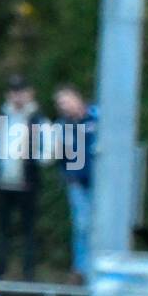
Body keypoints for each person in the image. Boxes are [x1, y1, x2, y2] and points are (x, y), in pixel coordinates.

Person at [0, 76, 51, 279]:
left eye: (22, 91)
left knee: (28, 230)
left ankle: (28, 272)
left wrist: (32, 159)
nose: (18, 96)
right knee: (2, 228)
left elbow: (48, 152)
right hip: (3, 182)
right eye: (14, 91)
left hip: (27, 183)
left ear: (30, 94)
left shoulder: (39, 119)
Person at [52, 85, 99, 282]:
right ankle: (81, 268)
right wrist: (68, 174)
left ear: (77, 98)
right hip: (78, 183)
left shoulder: (97, 117)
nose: (64, 105)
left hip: (101, 184)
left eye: (66, 100)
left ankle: (99, 265)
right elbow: (58, 155)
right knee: (81, 225)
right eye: (60, 103)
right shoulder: (62, 127)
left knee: (102, 225)